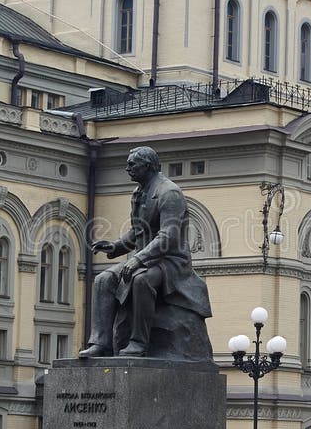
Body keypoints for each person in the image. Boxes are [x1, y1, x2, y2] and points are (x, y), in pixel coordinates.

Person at [79, 146, 212, 358]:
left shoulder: (169, 193)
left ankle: (138, 342)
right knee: (104, 280)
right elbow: (138, 230)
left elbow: (168, 236)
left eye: (132, 164)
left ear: (147, 166)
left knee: (142, 280)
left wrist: (138, 259)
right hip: (146, 258)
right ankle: (101, 343)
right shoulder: (139, 192)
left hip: (171, 262)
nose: (127, 168)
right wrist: (116, 246)